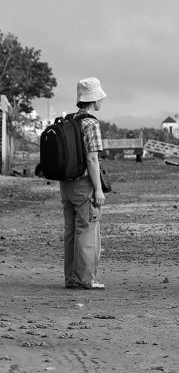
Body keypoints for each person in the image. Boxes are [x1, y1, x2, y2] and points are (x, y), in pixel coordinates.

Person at [62, 77, 107, 289]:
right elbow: (92, 158)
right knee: (88, 231)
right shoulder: (91, 124)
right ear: (94, 99)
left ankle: (72, 278)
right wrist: (98, 189)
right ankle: (87, 279)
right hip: (83, 185)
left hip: (66, 185)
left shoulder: (69, 121)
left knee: (71, 231)